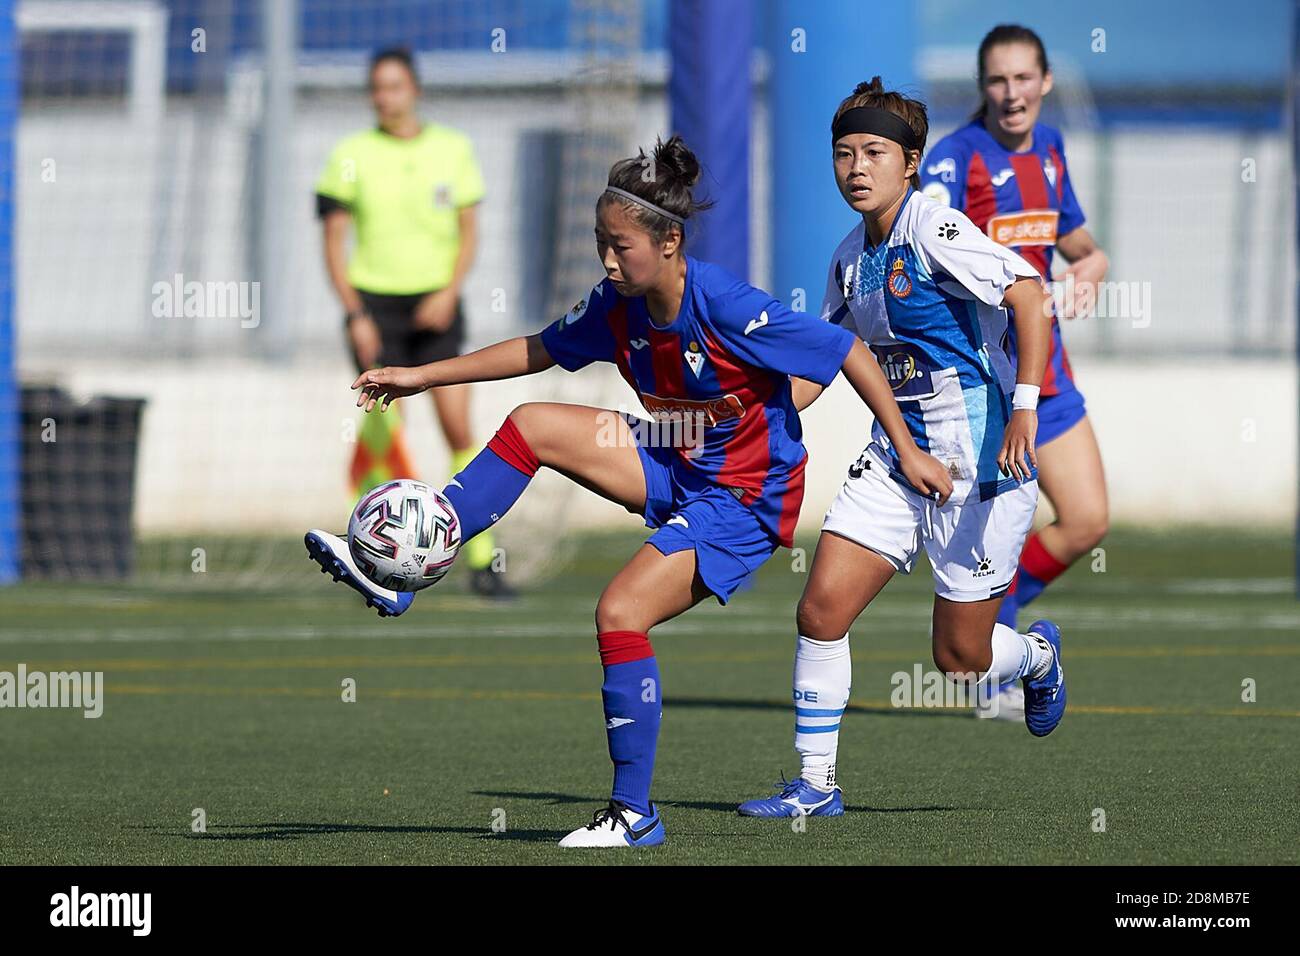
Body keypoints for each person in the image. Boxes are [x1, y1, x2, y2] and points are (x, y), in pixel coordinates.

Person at [305, 135, 953, 847]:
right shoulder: (618, 304)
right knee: (534, 425)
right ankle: (416, 568)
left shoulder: (728, 305)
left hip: (744, 497)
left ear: (670, 241)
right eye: (599, 243)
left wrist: (908, 447)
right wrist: (421, 375)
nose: (608, 260)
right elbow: (539, 349)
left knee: (619, 612)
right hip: (673, 456)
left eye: (621, 246)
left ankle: (633, 814)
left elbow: (847, 350)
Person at [739, 77, 1065, 819]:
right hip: (894, 460)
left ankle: (1037, 656)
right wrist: (748, 420)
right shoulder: (849, 257)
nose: (856, 166)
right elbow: (827, 361)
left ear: (911, 163)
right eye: (844, 152)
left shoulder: (934, 228)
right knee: (820, 611)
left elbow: (1029, 296)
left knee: (960, 661)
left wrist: (1024, 409)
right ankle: (815, 787)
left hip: (980, 464)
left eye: (875, 152)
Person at [920, 25, 1109, 719]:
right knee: (996, 530)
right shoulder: (954, 160)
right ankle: (992, 661)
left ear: (1046, 81)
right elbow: (926, 248)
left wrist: (1093, 262)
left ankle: (996, 629)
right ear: (983, 88)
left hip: (1050, 372)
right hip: (992, 387)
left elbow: (1071, 236)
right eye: (998, 81)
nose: (1011, 94)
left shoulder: (1053, 152)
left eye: (1023, 78)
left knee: (1087, 522)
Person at [315, 46, 508, 598]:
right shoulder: (350, 154)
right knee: (381, 432)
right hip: (375, 306)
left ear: (414, 90)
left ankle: (482, 560)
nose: (385, 97)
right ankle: (371, 560)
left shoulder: (452, 149)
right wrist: (355, 313)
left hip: (436, 305)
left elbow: (469, 231)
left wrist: (449, 292)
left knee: (458, 430)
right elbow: (332, 242)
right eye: (377, 88)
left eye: (394, 86)